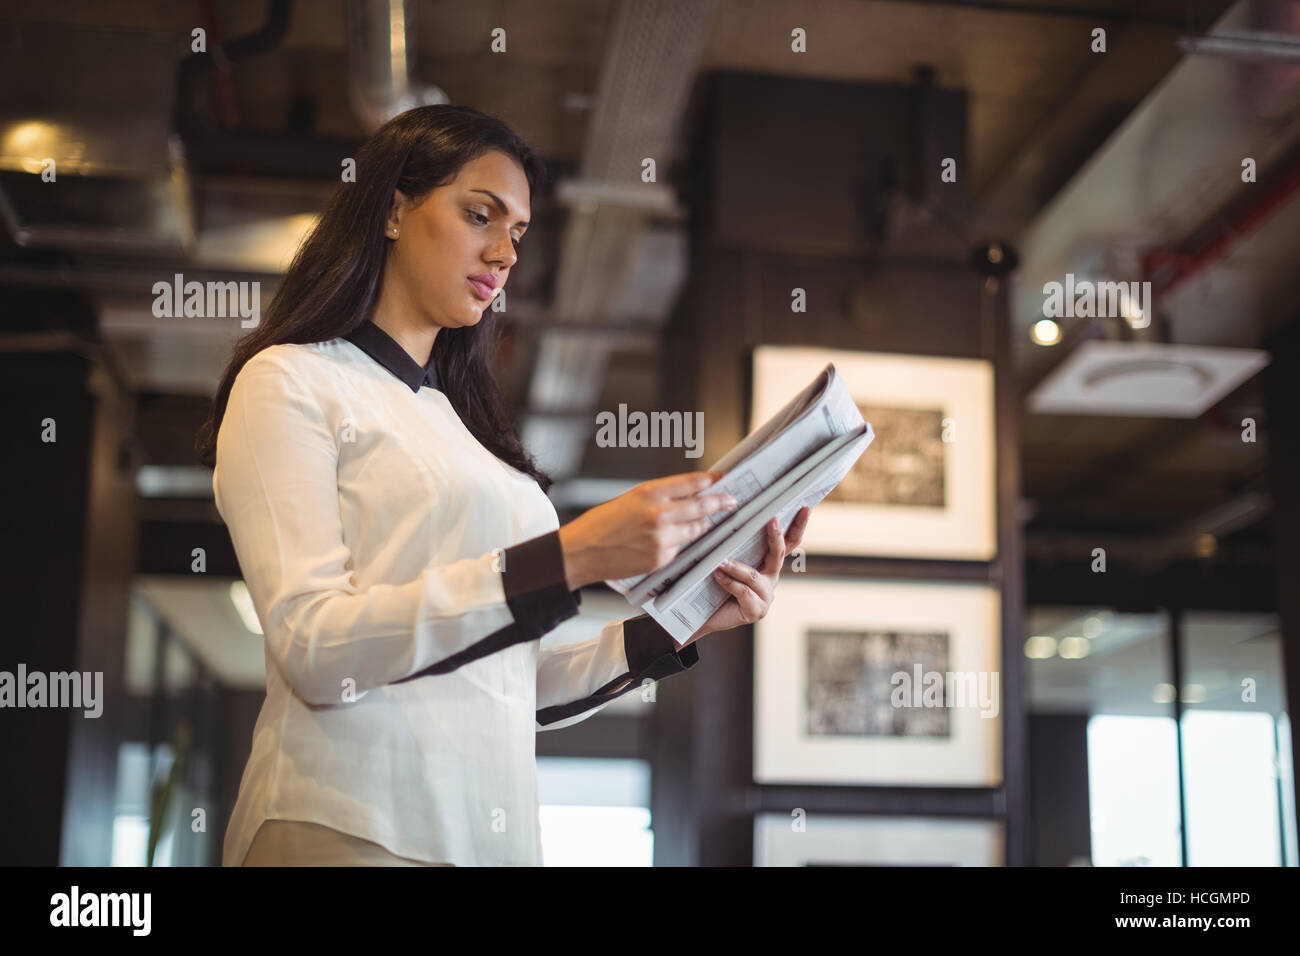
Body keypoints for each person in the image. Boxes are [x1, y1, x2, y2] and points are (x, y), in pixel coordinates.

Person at [195, 104, 809, 867]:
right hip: (347, 825)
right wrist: (567, 559)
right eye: (479, 214)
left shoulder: (468, 433)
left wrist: (676, 623)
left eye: (517, 232)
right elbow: (316, 649)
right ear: (392, 211)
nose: (505, 251)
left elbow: (518, 685)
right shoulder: (292, 381)